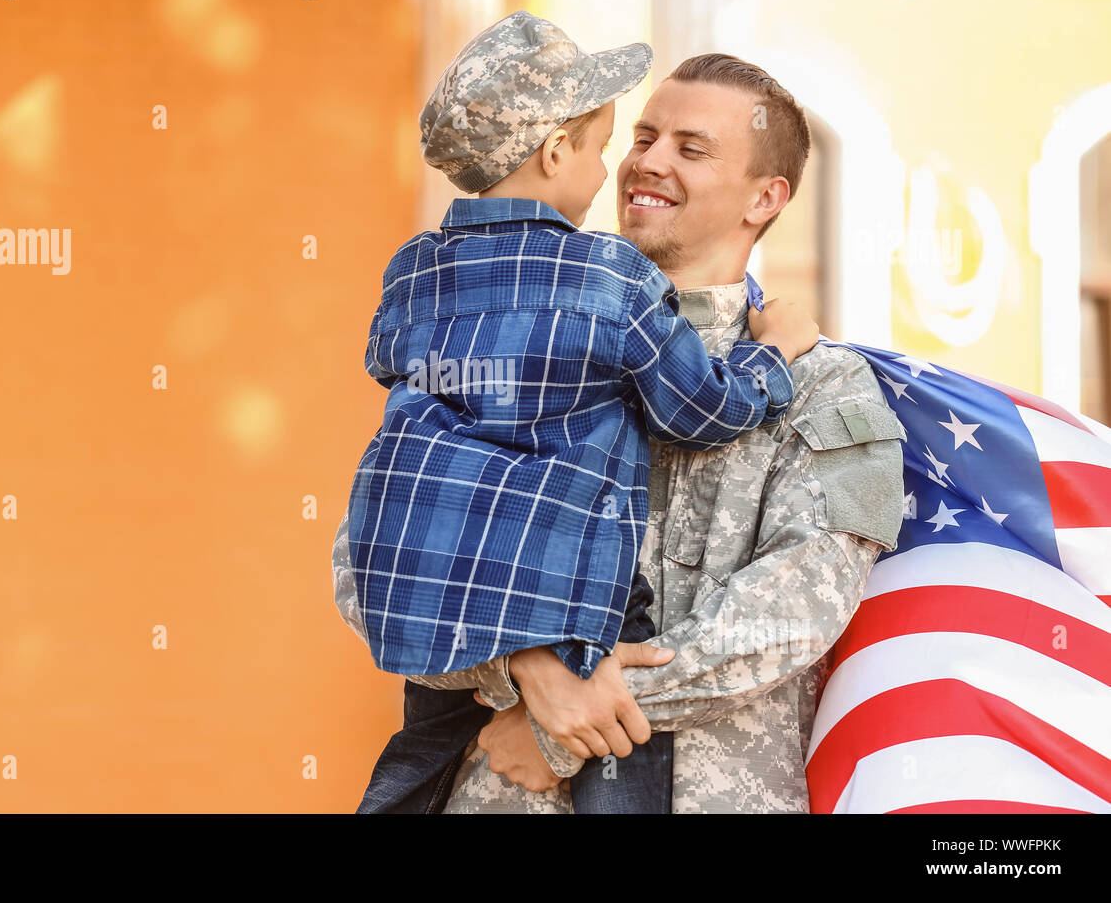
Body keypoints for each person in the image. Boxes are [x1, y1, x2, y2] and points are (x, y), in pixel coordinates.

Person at [334, 51, 906, 813]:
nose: (649, 161)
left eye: (690, 148)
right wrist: (525, 667)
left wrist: (556, 725)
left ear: (766, 197)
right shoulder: (496, 331)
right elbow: (369, 562)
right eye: (641, 137)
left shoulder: (821, 385)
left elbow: (790, 614)